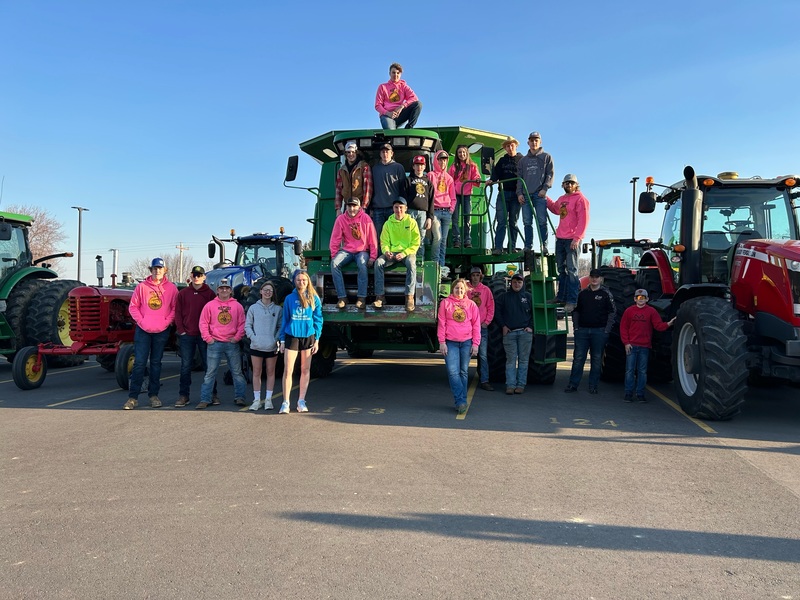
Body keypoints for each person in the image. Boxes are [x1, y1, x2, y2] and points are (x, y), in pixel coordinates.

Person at [123, 257, 178, 410]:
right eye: (154, 268)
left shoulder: (172, 288)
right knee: (139, 363)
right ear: (151, 270)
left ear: (164, 270)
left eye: (160, 268)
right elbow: (133, 307)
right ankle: (132, 398)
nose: (157, 271)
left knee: (156, 364)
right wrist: (142, 322)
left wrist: (166, 322)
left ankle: (153, 396)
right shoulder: (141, 287)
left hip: (161, 331)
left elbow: (174, 308)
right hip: (143, 331)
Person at [196, 278, 247, 410]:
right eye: (221, 288)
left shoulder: (237, 306)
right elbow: (203, 323)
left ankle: (240, 397)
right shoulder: (210, 306)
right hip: (215, 343)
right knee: (210, 373)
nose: (224, 290)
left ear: (231, 290)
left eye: (227, 288)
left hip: (232, 343)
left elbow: (242, 323)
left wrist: (237, 338)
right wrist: (208, 339)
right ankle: (205, 399)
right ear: (217, 290)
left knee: (237, 372)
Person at [564, 269, 615, 394]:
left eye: (597, 277)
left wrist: (606, 330)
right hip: (582, 331)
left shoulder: (606, 294)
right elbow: (576, 311)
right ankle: (573, 384)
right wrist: (576, 328)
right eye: (592, 276)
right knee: (578, 358)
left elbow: (612, 312)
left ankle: (593, 386)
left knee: (596, 359)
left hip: (599, 332)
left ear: (600, 279)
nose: (594, 279)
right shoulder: (582, 294)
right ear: (589, 278)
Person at [278, 270, 323, 414]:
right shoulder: (289, 299)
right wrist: (282, 340)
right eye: (298, 280)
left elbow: (318, 319)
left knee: (305, 370)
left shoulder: (314, 298)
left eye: (304, 280)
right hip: (292, 336)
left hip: (308, 337)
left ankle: (301, 401)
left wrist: (316, 339)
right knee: (288, 370)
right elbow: (284, 320)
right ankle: (285, 402)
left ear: (308, 281)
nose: (301, 282)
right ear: (294, 281)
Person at [620, 288, 676, 403]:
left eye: (643, 298)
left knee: (642, 371)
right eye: (639, 298)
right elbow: (623, 328)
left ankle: (640, 393)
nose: (641, 300)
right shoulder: (629, 311)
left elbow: (658, 326)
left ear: (647, 299)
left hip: (645, 346)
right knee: (629, 371)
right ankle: (628, 393)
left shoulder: (651, 311)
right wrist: (626, 343)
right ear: (635, 299)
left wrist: (669, 323)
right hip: (631, 346)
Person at [174, 265, 216, 408]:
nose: (197, 277)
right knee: (186, 366)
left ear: (204, 277)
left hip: (204, 336)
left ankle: (212, 394)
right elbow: (177, 313)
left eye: (199, 275)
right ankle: (184, 395)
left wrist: (210, 333)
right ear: (191, 276)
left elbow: (214, 314)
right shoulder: (183, 293)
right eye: (194, 275)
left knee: (208, 366)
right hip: (187, 335)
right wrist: (181, 330)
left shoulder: (210, 294)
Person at [546, 174, 589, 313]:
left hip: (572, 239)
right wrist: (545, 198)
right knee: (561, 269)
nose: (569, 185)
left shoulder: (581, 199)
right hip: (560, 238)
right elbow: (555, 209)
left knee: (572, 270)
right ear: (563, 185)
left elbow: (584, 219)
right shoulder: (562, 199)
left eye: (571, 183)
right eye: (566, 183)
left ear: (576, 185)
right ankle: (561, 297)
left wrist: (577, 238)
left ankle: (572, 300)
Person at [437, 278, 481, 414]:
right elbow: (441, 323)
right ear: (452, 289)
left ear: (465, 290)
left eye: (462, 288)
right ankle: (461, 401)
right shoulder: (445, 303)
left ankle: (461, 400)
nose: (459, 290)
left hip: (467, 342)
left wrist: (476, 344)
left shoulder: (472, 305)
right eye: (457, 288)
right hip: (450, 342)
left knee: (463, 372)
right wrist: (442, 342)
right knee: (452, 372)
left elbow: (476, 325)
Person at [330, 196, 378, 309]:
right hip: (347, 250)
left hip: (362, 251)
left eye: (354, 206)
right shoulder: (341, 219)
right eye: (349, 206)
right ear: (346, 207)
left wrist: (373, 256)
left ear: (359, 207)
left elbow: (373, 238)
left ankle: (361, 298)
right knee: (334, 264)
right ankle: (342, 298)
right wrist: (334, 254)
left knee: (362, 263)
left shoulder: (366, 218)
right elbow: (335, 238)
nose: (352, 209)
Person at [373, 198, 420, 312]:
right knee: (378, 263)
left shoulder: (412, 222)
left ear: (406, 208)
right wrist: (386, 252)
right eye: (396, 207)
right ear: (393, 209)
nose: (398, 210)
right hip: (392, 253)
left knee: (411, 264)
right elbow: (384, 242)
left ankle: (409, 297)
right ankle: (380, 297)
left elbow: (416, 242)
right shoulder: (388, 224)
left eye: (401, 207)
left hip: (407, 252)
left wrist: (404, 253)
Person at [245, 280, 283, 411]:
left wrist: (275, 339)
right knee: (256, 372)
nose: (267, 292)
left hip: (271, 346)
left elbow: (280, 326)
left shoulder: (278, 309)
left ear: (273, 293)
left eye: (270, 290)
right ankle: (256, 400)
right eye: (265, 290)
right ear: (260, 291)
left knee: (270, 372)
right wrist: (253, 338)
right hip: (256, 346)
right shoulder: (253, 308)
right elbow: (248, 325)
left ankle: (268, 400)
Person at [494, 272, 533, 395]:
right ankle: (510, 385)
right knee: (510, 360)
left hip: (525, 334)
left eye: (519, 282)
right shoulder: (504, 297)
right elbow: (497, 312)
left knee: (523, 360)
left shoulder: (528, 297)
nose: (517, 284)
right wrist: (503, 326)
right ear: (511, 283)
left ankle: (520, 385)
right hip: (509, 334)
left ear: (523, 283)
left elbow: (535, 314)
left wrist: (531, 327)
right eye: (515, 282)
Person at [516, 131, 554, 250]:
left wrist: (545, 189)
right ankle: (528, 246)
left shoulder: (546, 157)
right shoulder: (523, 161)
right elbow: (519, 178)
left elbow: (550, 174)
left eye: (536, 140)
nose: (534, 142)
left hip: (539, 194)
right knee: (527, 222)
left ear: (540, 142)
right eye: (532, 140)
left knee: (542, 220)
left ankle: (544, 245)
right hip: (526, 195)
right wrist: (519, 193)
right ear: (528, 142)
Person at [488, 136, 523, 253]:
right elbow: (495, 174)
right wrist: (491, 180)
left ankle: (512, 247)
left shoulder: (521, 160)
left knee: (513, 221)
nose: (509, 147)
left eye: (511, 145)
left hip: (516, 194)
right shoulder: (502, 161)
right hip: (503, 193)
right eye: (507, 146)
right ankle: (498, 247)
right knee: (501, 221)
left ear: (516, 146)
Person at [370, 142, 407, 241]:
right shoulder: (375, 169)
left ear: (392, 153)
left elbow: (403, 189)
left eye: (387, 152)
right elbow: (371, 189)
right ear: (380, 154)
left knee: (395, 236)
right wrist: (371, 208)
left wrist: (402, 206)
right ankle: (381, 256)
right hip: (378, 209)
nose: (385, 154)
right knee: (379, 237)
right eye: (383, 152)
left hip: (394, 209)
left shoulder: (399, 167)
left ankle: (394, 256)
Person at [466, 266, 495, 392]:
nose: (475, 277)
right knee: (465, 355)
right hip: (467, 328)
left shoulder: (486, 290)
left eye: (478, 275)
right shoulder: (465, 289)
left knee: (482, 355)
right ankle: (462, 380)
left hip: (481, 328)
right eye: (473, 275)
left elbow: (490, 307)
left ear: (481, 276)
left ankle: (485, 380)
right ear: (470, 276)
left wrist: (487, 322)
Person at [428, 150, 456, 269]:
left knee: (443, 240)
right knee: (437, 238)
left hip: (447, 211)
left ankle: (442, 266)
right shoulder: (430, 175)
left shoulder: (449, 178)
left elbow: (453, 197)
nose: (442, 162)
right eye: (440, 159)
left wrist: (451, 209)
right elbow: (428, 195)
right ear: (436, 160)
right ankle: (435, 265)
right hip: (435, 211)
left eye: (445, 160)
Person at [449, 145, 481, 248]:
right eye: (459, 152)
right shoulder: (454, 166)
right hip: (456, 195)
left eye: (463, 152)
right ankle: (456, 240)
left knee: (467, 217)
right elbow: (449, 180)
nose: (461, 154)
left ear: (467, 153)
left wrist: (477, 179)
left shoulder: (472, 166)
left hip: (467, 194)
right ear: (457, 154)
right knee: (455, 218)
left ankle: (467, 240)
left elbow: (476, 176)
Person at [374, 62, 422, 130]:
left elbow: (414, 98)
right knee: (391, 133)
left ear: (400, 74)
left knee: (418, 104)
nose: (395, 75)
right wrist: (387, 113)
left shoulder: (404, 86)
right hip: (387, 115)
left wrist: (402, 106)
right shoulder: (382, 87)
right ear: (389, 73)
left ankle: (409, 128)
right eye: (393, 72)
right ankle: (391, 128)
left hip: (399, 114)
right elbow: (377, 105)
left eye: (398, 73)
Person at [404, 154, 434, 260]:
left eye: (421, 165)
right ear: (413, 166)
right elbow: (403, 197)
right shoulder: (408, 180)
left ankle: (420, 260)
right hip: (410, 212)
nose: (419, 167)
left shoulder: (428, 182)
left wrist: (430, 218)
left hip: (423, 213)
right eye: (417, 165)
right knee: (409, 236)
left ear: (424, 166)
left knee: (421, 238)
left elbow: (431, 201)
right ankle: (409, 259)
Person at [334, 140, 372, 213]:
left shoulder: (364, 167)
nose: (351, 154)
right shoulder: (341, 170)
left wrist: (364, 207)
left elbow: (367, 188)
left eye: (353, 152)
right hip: (347, 206)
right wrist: (338, 209)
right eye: (348, 152)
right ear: (345, 154)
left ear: (356, 153)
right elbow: (338, 190)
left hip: (360, 206)